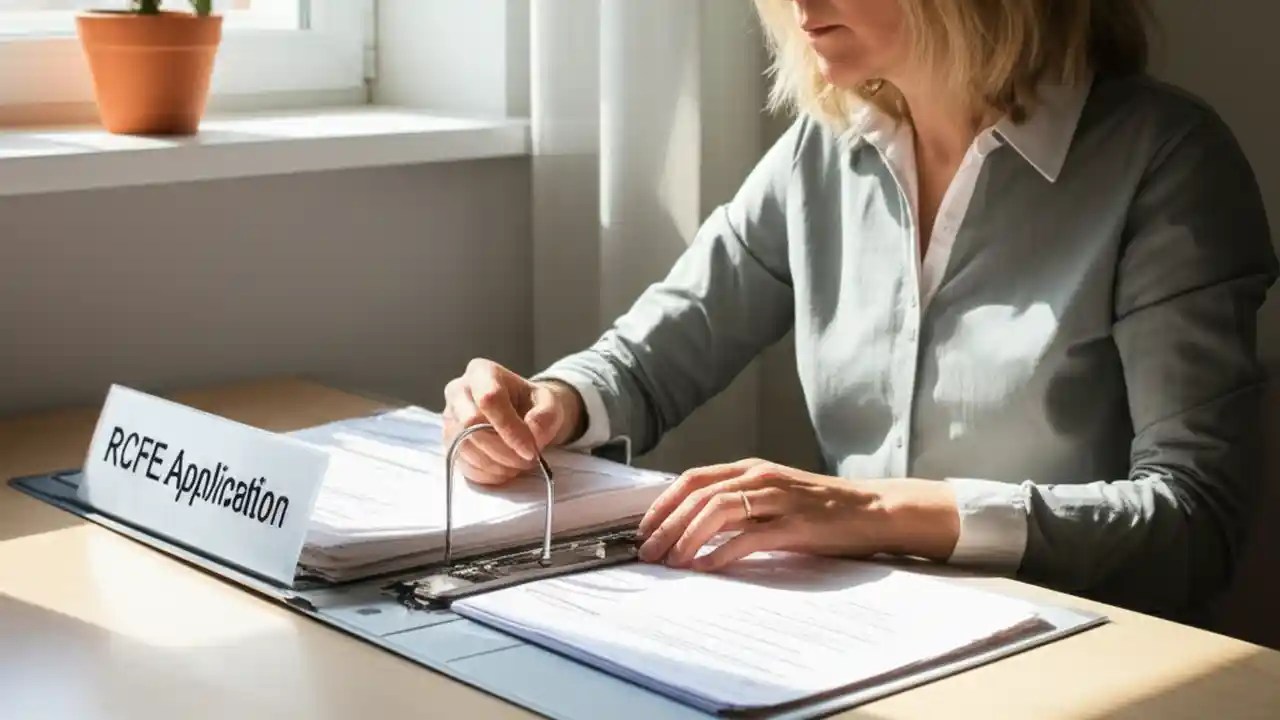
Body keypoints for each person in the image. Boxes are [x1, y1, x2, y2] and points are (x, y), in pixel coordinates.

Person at [442, 0, 1277, 620]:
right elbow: (650, 360)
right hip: (858, 633)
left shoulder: (1167, 164)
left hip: (1086, 654)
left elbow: (1192, 526)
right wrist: (548, 405)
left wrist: (875, 510)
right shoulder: (822, 150)